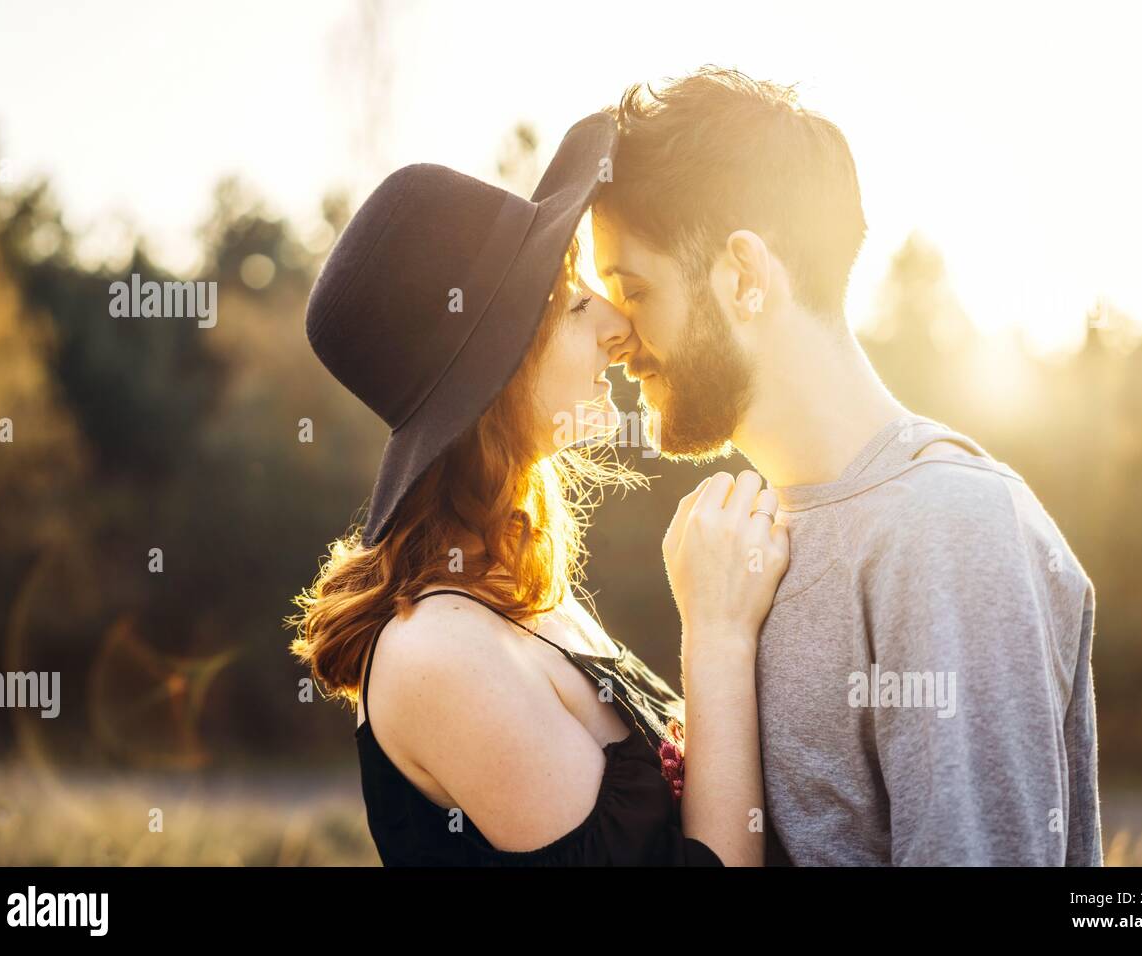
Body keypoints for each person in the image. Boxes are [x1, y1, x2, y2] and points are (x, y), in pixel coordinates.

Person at [592, 67, 1102, 865]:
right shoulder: (746, 546)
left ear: (745, 277)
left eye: (636, 290)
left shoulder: (950, 530)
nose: (618, 341)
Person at [289, 113, 788, 866]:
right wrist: (716, 636)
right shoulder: (438, 656)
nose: (619, 322)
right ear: (495, 369)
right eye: (572, 299)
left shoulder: (518, 596)